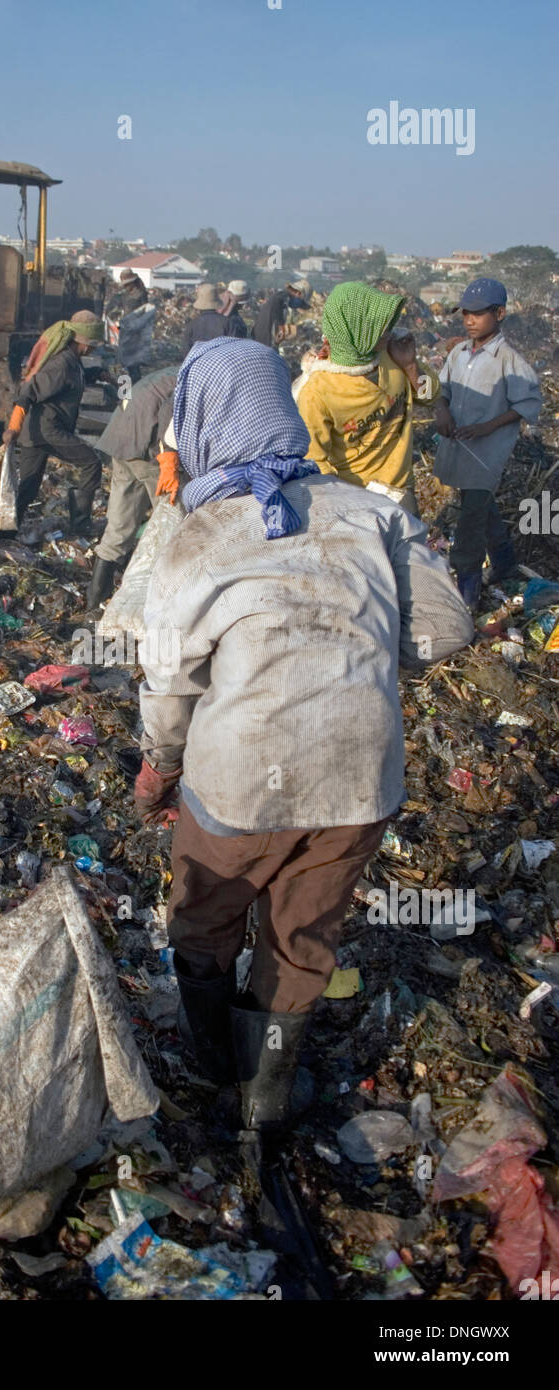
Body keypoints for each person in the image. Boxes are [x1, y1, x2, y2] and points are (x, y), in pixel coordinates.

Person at [133, 337, 472, 1152]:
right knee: (304, 935)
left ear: (206, 418)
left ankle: (215, 1062)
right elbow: (447, 629)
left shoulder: (200, 537)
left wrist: (160, 768)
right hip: (360, 776)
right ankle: (266, 1103)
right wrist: (362, 656)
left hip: (240, 778)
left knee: (205, 917)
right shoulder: (375, 511)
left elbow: (170, 680)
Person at [433, 277, 542, 608]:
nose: (469, 320)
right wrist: (442, 413)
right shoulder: (458, 355)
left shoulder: (508, 360)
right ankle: (505, 562)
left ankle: (467, 597)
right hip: (460, 448)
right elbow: (442, 391)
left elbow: (527, 405)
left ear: (500, 313)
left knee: (469, 525)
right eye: (465, 313)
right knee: (478, 504)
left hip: (487, 453)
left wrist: (487, 427)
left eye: (478, 314)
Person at [296, 281, 440, 515]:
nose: (387, 329)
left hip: (401, 492)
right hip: (354, 503)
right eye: (375, 323)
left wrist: (411, 365)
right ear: (354, 327)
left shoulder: (391, 356)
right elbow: (315, 461)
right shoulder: (317, 391)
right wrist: (343, 508)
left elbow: (429, 396)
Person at [2, 310, 105, 533]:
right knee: (91, 463)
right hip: (48, 430)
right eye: (95, 345)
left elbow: (73, 380)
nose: (94, 349)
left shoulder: (73, 362)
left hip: (37, 431)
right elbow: (28, 391)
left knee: (28, 487)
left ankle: (6, 531)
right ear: (87, 343)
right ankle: (80, 524)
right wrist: (13, 426)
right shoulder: (62, 365)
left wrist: (99, 373)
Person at [86, 367, 179, 608]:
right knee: (169, 525)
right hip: (147, 452)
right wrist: (169, 460)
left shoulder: (168, 372)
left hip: (120, 446)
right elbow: (169, 415)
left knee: (118, 528)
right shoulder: (194, 378)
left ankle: (94, 606)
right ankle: (156, 597)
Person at [181, 283, 242, 357]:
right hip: (223, 365)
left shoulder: (192, 325)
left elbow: (186, 353)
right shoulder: (228, 323)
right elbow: (236, 349)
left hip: (199, 366)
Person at [253, 281, 309, 348]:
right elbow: (276, 302)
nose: (299, 305)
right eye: (301, 301)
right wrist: (281, 326)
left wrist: (276, 342)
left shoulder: (282, 299)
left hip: (262, 340)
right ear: (299, 293)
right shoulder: (283, 296)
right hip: (263, 341)